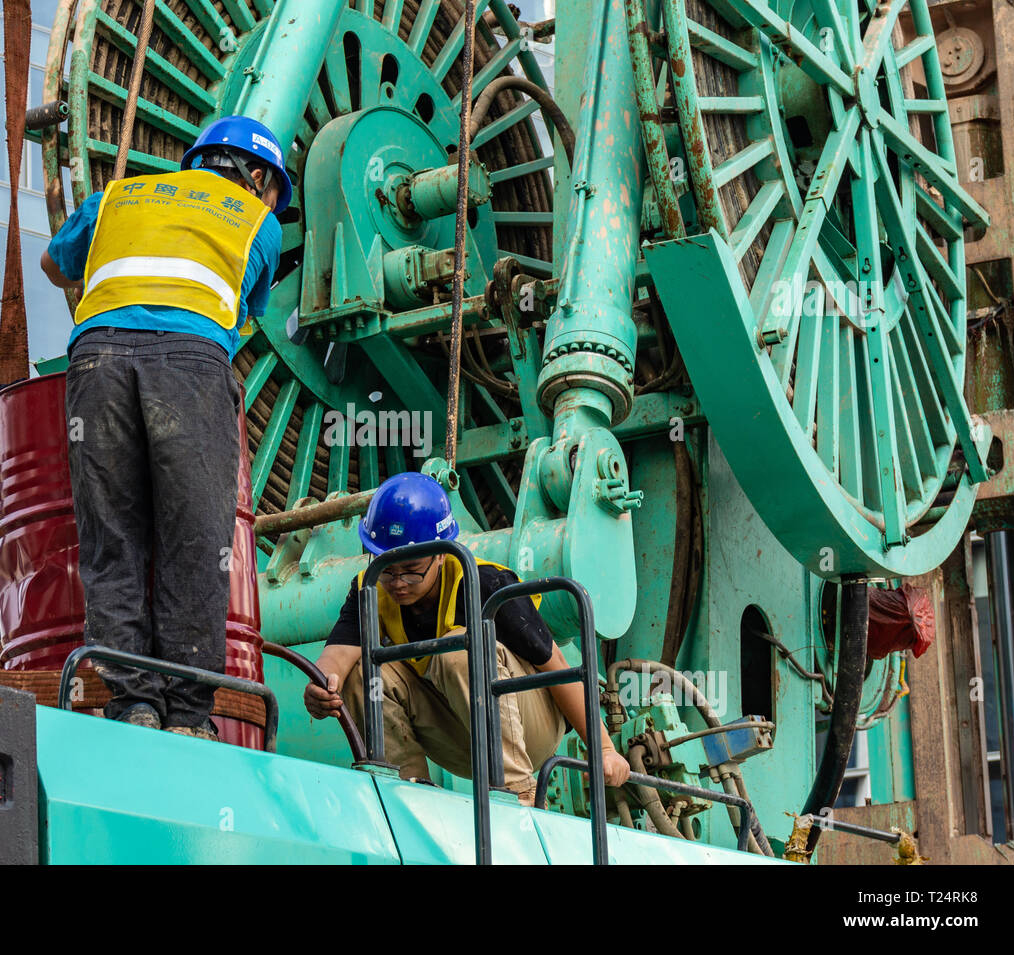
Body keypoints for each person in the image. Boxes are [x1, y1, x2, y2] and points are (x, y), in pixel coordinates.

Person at [40, 115, 288, 738]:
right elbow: (244, 306)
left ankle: (133, 706)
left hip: (95, 361)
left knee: (112, 541)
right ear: (257, 176)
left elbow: (53, 264)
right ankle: (186, 718)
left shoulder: (118, 196)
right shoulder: (258, 221)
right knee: (197, 547)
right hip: (192, 363)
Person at [304, 472, 631, 804]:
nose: (398, 581)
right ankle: (407, 794)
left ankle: (519, 794)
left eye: (411, 568)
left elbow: (558, 667)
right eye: (387, 567)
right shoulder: (370, 588)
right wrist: (322, 688)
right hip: (460, 736)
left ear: (442, 553)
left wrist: (604, 749)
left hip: (528, 728)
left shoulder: (487, 586)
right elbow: (337, 658)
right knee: (362, 673)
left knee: (458, 649)